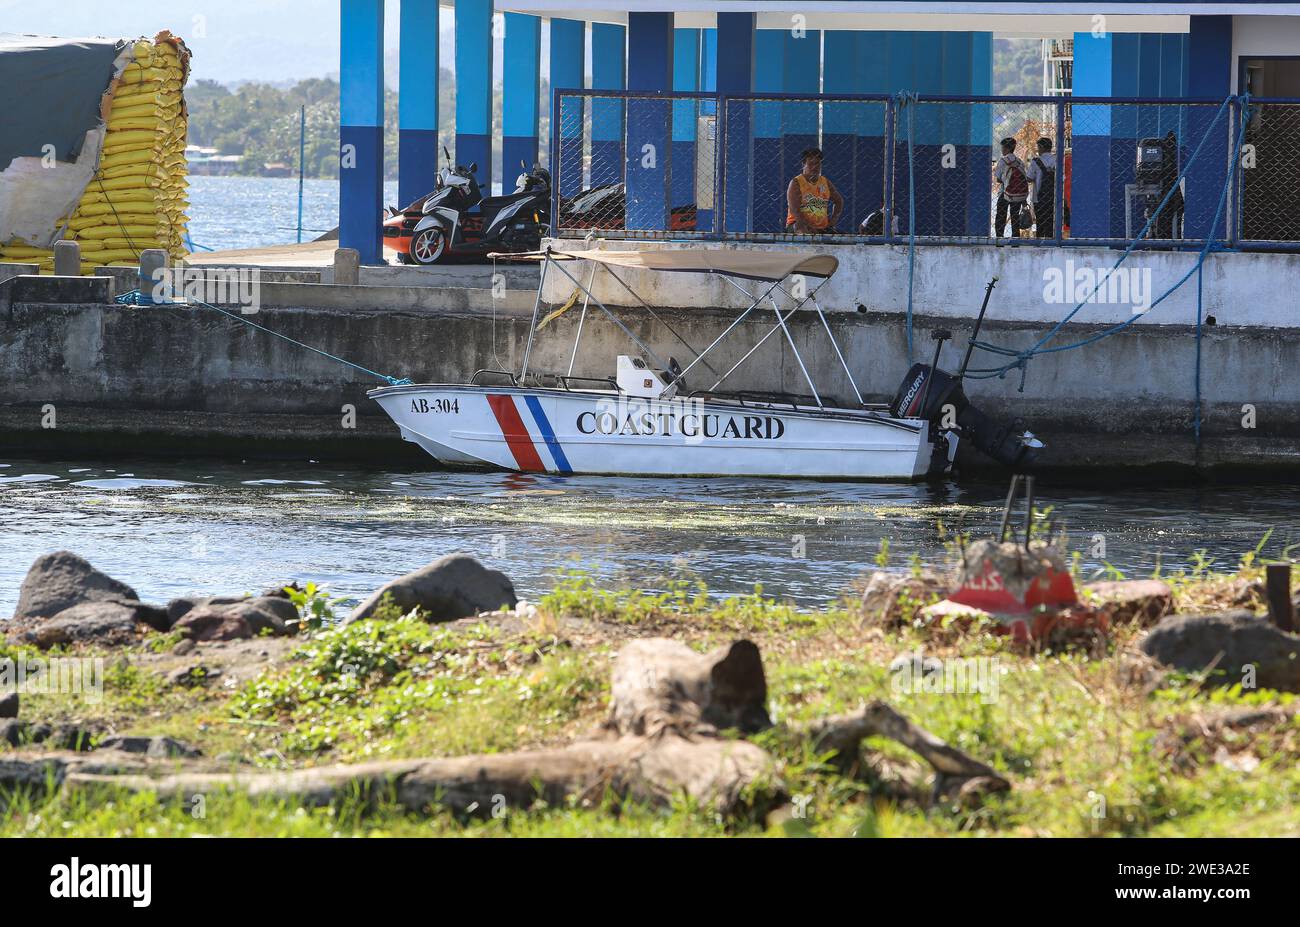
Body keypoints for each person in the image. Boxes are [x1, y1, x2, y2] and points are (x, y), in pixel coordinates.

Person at [786, 148, 843, 233]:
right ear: (803, 164)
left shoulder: (825, 182)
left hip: (821, 227)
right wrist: (808, 226)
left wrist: (832, 222)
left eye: (817, 164)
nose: (814, 167)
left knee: (840, 238)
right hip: (799, 224)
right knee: (800, 227)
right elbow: (795, 211)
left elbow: (839, 201)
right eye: (811, 164)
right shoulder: (796, 183)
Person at [993, 137, 1030, 238]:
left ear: (1007, 148)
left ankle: (999, 239)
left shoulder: (1003, 161)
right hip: (1017, 195)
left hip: (1004, 193)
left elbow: (998, 179)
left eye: (1003, 148)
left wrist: (1006, 179)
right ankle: (1015, 240)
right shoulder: (1019, 162)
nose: (1002, 150)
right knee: (1015, 216)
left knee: (1001, 216)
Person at [1026, 137, 1057, 239]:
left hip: (1039, 197)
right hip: (1054, 196)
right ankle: (1050, 241)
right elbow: (1062, 178)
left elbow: (1029, 178)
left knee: (1040, 221)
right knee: (1050, 221)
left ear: (1041, 147)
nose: (1037, 149)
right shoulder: (1056, 160)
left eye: (1038, 147)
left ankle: (1039, 241)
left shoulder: (1035, 161)